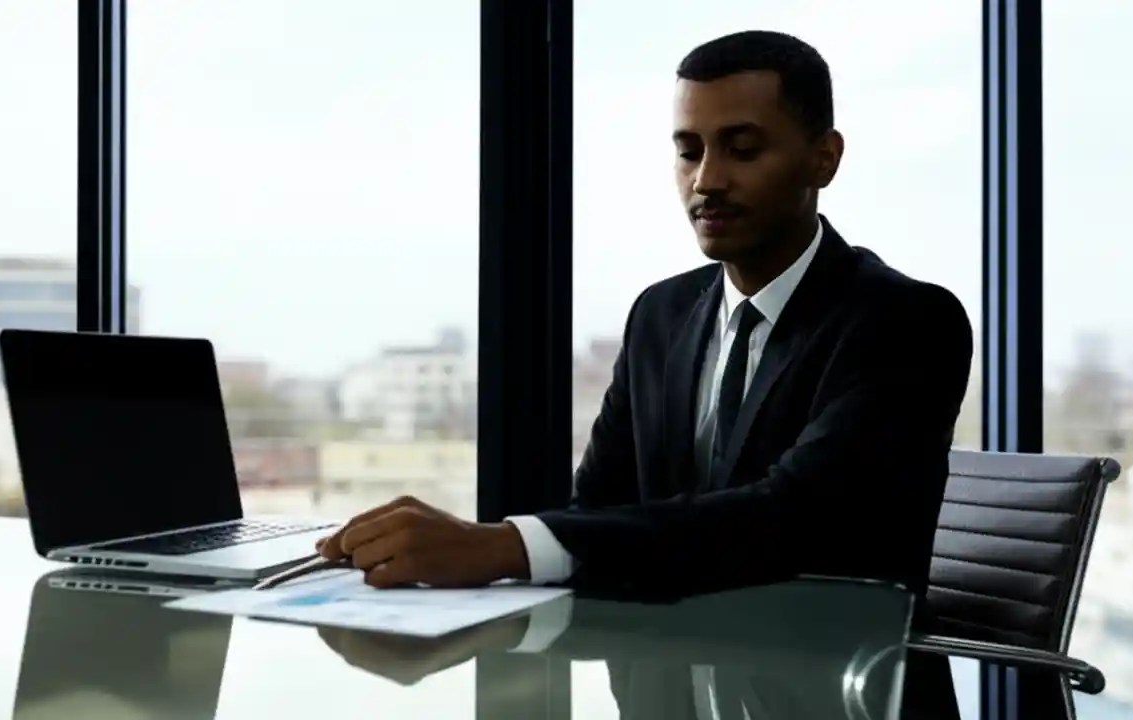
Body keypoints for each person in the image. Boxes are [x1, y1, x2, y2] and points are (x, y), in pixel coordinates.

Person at [317, 30, 972, 601]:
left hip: (840, 678)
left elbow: (791, 521)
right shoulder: (661, 315)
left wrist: (502, 546)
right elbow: (600, 509)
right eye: (689, 151)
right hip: (668, 673)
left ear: (824, 158)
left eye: (743, 149)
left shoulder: (907, 321)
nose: (706, 181)